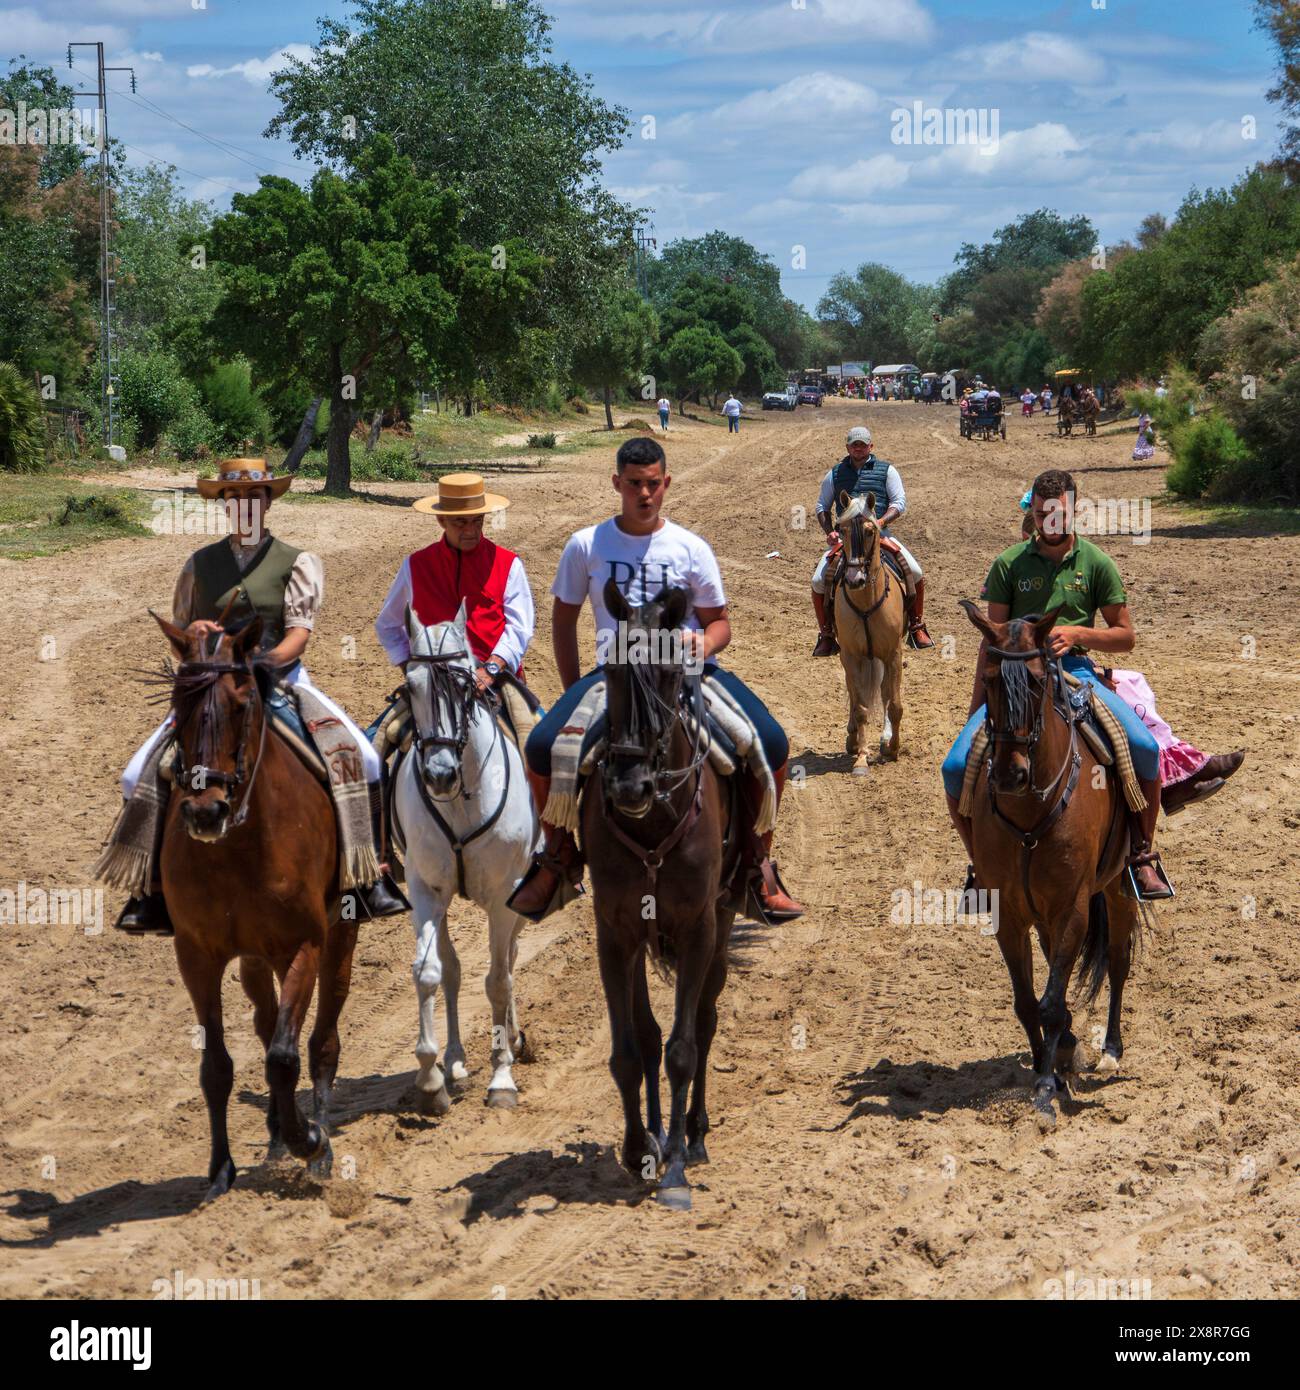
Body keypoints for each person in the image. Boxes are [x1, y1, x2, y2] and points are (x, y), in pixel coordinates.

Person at [507, 435, 803, 924]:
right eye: (632, 485)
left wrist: (704, 645)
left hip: (688, 673)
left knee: (770, 744)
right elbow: (563, 621)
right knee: (541, 747)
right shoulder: (586, 544)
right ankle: (558, 856)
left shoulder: (691, 548)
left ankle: (756, 866)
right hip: (616, 674)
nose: (643, 494)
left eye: (652, 484)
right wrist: (574, 687)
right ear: (616, 484)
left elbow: (719, 623)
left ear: (665, 484)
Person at [108, 459, 408, 933]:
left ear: (267, 504)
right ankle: (151, 892)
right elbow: (183, 635)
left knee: (365, 759)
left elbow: (297, 635)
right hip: (213, 692)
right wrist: (196, 633)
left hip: (280, 680)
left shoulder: (298, 561)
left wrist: (260, 665)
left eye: (254, 499)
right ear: (225, 505)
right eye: (236, 500)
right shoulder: (199, 566)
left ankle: (367, 878)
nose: (245, 507)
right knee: (133, 775)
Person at [943, 469, 1243, 901]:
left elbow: (1126, 636)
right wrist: (977, 710)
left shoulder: (1096, 563)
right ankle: (982, 867)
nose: (1051, 522)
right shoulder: (1008, 564)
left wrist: (1080, 635)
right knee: (954, 769)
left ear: (1073, 511)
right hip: (1019, 681)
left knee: (1142, 748)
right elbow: (993, 641)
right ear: (1033, 513)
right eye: (1043, 513)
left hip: (1078, 675)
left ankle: (1141, 855)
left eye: (1059, 513)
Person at [375, 472, 535, 712]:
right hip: (432, 685)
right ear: (442, 520)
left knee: (542, 743)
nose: (471, 531)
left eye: (477, 521)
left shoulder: (508, 564)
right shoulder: (415, 565)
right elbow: (387, 625)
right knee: (374, 742)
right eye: (460, 522)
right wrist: (411, 667)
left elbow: (520, 627)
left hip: (497, 681)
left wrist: (491, 668)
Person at [810, 425, 935, 655]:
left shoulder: (887, 471)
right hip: (847, 537)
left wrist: (880, 523)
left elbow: (899, 502)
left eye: (862, 444)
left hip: (878, 533)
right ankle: (826, 633)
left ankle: (917, 625)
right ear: (847, 446)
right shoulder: (835, 473)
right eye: (854, 444)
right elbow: (822, 506)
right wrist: (829, 531)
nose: (858, 448)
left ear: (871, 446)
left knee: (915, 572)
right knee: (818, 580)